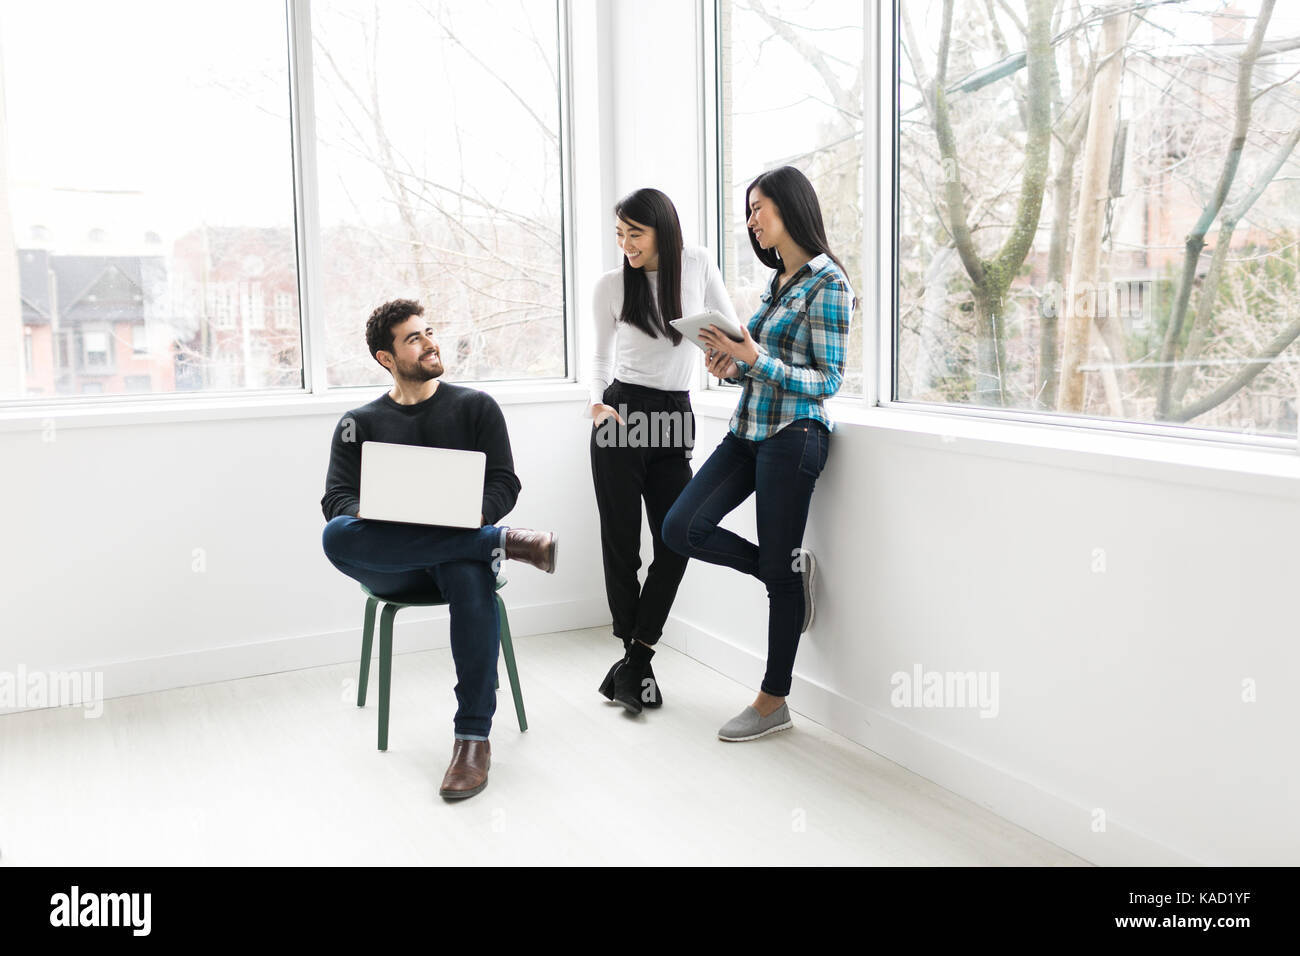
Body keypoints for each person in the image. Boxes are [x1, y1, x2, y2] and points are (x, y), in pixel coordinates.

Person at [320, 298, 558, 800]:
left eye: (429, 331)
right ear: (387, 358)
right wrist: (377, 511)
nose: (430, 343)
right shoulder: (357, 423)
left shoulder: (475, 406)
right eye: (413, 338)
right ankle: (501, 544)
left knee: (468, 572)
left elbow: (504, 483)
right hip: (395, 566)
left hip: (456, 562)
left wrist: (478, 515)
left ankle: (473, 740)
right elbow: (336, 500)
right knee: (336, 535)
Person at [662, 166, 854, 742]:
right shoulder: (778, 285)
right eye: (747, 211)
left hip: (795, 436)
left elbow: (828, 380)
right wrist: (731, 366)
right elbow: (762, 367)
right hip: (749, 431)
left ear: (790, 207)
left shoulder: (828, 285)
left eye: (758, 208)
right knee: (680, 527)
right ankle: (784, 571)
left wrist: (755, 359)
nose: (751, 221)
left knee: (776, 569)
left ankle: (774, 702)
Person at [589, 187, 739, 715]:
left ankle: (636, 659)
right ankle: (635, 660)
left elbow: (734, 330)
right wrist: (595, 402)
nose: (626, 246)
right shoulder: (611, 285)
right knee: (621, 544)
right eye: (620, 235)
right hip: (622, 413)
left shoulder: (696, 264)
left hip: (675, 415)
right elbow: (601, 357)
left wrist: (732, 357)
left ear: (663, 231)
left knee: (677, 536)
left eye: (636, 234)